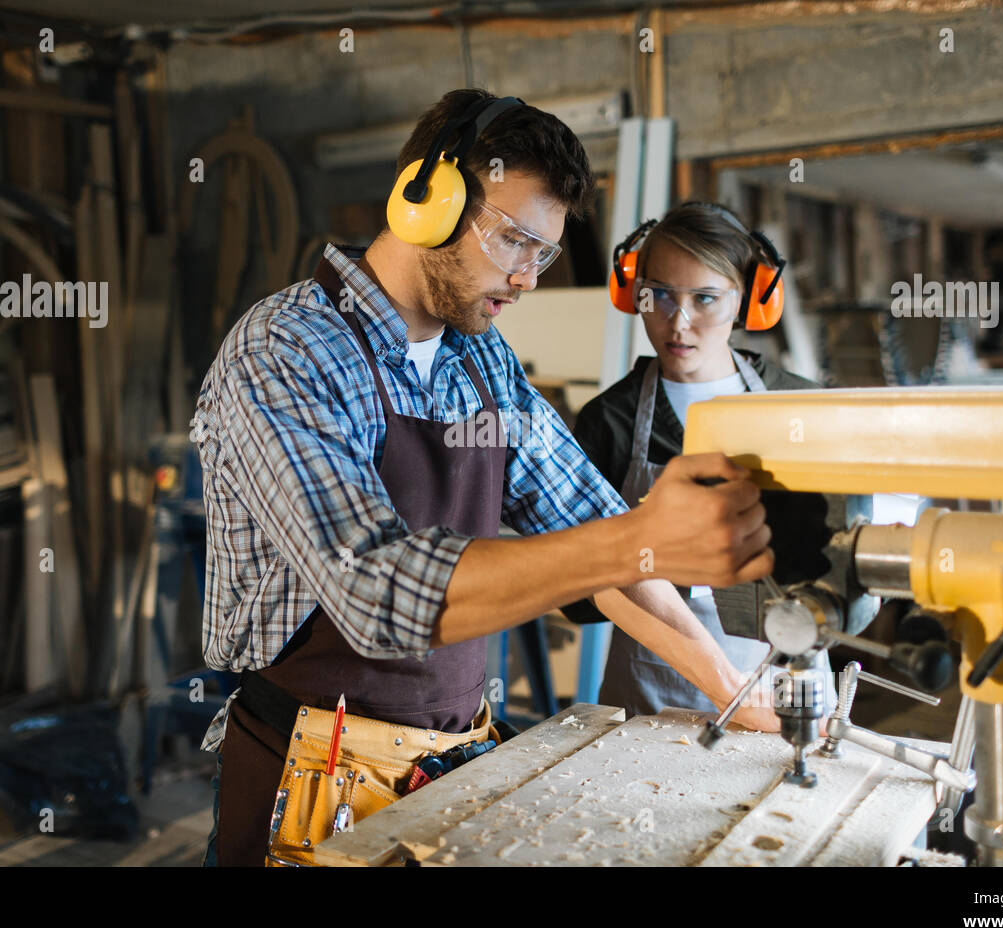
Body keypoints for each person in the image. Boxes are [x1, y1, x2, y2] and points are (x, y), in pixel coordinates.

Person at [193, 91, 778, 867]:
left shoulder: (482, 362)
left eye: (544, 253)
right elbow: (376, 593)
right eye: (512, 240)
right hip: (306, 786)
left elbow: (589, 524)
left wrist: (733, 693)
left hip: (449, 769)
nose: (528, 277)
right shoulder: (286, 351)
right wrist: (632, 539)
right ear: (423, 199)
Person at [565, 200, 837, 720]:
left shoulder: (798, 408)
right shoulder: (611, 420)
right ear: (633, 293)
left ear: (749, 301)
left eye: (705, 298)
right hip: (652, 693)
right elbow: (577, 596)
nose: (678, 322)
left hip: (784, 680)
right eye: (660, 294)